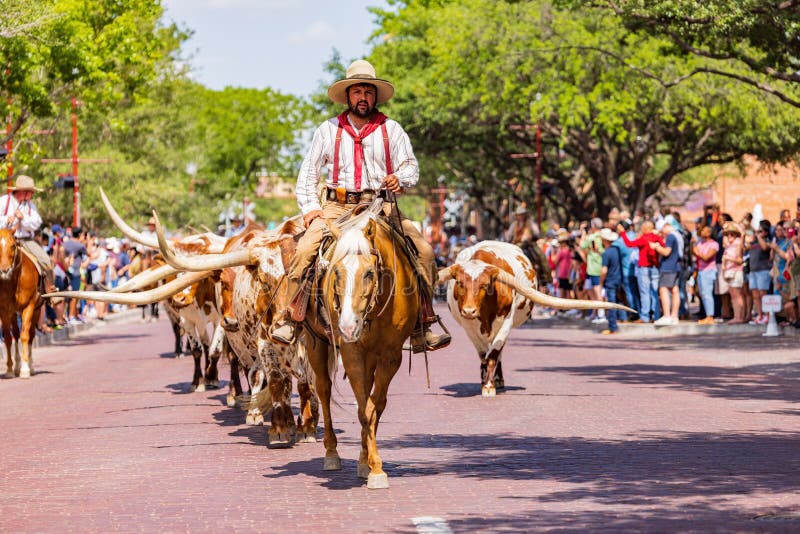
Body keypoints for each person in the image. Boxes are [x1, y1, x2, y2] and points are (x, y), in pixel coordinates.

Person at [269, 59, 450, 351]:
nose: (363, 97)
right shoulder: (327, 130)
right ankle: (292, 317)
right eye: (357, 92)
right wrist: (311, 211)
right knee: (304, 250)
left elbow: (410, 167)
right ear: (348, 96)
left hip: (380, 206)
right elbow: (308, 174)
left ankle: (423, 322)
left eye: (368, 91)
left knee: (425, 252)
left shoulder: (392, 129)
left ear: (375, 96)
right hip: (336, 208)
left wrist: (399, 179)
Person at [0, 175, 59, 295]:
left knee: (46, 261)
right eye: (31, 192)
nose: (32, 194)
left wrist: (24, 218)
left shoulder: (30, 206)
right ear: (23, 191)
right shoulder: (3, 201)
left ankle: (50, 292)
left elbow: (37, 223)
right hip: (4, 240)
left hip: (26, 240)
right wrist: (6, 220)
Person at [618, 220, 663, 323]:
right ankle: (656, 316)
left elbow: (629, 244)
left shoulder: (644, 239)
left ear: (646, 228)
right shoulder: (657, 238)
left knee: (644, 293)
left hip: (644, 268)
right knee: (654, 293)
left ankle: (645, 316)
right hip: (655, 268)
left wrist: (623, 233)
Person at [653, 222, 680, 326]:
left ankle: (667, 315)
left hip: (668, 267)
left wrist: (656, 247)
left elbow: (666, 252)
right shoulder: (677, 236)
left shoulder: (670, 236)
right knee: (674, 290)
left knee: (663, 289)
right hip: (675, 266)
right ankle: (674, 316)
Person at [578, 218, 605, 322]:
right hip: (597, 267)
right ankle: (595, 313)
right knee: (591, 290)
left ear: (593, 226)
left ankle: (601, 315)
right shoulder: (603, 235)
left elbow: (582, 245)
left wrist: (583, 233)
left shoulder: (592, 237)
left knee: (597, 292)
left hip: (594, 268)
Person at [720, 222, 746, 323]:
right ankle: (736, 316)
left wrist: (728, 258)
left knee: (737, 295)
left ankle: (739, 317)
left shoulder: (738, 244)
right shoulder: (728, 246)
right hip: (729, 272)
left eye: (732, 234)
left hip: (736, 272)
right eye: (728, 234)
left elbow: (740, 260)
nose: (729, 236)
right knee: (733, 295)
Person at [747, 220, 772, 325]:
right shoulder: (753, 241)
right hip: (753, 271)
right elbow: (745, 248)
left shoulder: (767, 240)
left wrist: (759, 237)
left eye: (761, 231)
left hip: (763, 270)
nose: (758, 232)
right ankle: (759, 315)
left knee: (763, 294)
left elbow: (765, 247)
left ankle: (767, 315)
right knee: (755, 295)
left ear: (766, 232)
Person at [692, 226, 719, 325]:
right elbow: (694, 251)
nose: (701, 231)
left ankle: (710, 316)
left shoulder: (714, 244)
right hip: (700, 270)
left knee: (707, 294)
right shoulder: (700, 243)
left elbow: (706, 257)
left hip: (709, 271)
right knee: (702, 294)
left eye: (704, 230)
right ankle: (707, 314)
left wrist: (697, 252)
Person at [599, 228, 622, 334]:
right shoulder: (617, 250)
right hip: (618, 278)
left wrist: (601, 281)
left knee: (611, 303)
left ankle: (613, 327)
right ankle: (623, 319)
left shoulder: (606, 253)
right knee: (619, 301)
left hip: (610, 280)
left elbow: (604, 270)